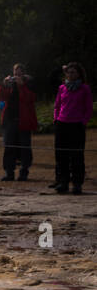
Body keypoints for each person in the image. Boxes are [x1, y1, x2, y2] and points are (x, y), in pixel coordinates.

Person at [52, 62, 92, 194]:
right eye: (68, 72)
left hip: (76, 125)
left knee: (77, 156)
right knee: (61, 155)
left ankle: (77, 183)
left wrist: (83, 122)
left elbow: (88, 108)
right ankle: (63, 182)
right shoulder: (62, 88)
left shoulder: (84, 88)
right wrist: (56, 119)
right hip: (62, 124)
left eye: (73, 72)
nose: (70, 74)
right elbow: (57, 105)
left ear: (79, 74)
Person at [0, 64, 37, 181]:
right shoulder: (10, 84)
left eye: (19, 73)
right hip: (10, 120)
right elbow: (0, 97)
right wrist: (3, 84)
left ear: (23, 73)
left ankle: (24, 172)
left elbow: (29, 99)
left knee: (25, 148)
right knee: (9, 147)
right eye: (15, 73)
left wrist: (21, 86)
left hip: (24, 121)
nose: (17, 75)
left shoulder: (29, 83)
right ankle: (9, 173)